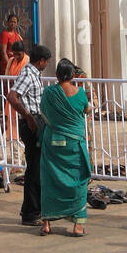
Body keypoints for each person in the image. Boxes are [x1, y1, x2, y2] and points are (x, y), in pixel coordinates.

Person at [39, 59, 92, 237]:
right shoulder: (81, 94)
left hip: (53, 142)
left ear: (56, 75)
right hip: (74, 143)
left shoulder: (49, 93)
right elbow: (85, 109)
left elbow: (44, 113)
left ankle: (46, 223)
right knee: (79, 181)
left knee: (49, 180)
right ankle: (77, 225)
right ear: (73, 75)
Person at [6, 43, 52, 227]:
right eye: (46, 62)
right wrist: (27, 116)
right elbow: (12, 96)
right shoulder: (27, 74)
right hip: (31, 122)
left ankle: (31, 210)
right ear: (40, 61)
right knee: (34, 168)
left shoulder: (35, 74)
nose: (46, 65)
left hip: (37, 120)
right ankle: (31, 213)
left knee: (37, 167)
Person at [3, 40, 28, 156]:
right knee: (12, 127)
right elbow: (6, 77)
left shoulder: (28, 62)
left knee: (24, 127)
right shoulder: (11, 61)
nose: (17, 57)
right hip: (13, 98)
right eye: (15, 54)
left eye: (19, 54)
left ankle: (24, 158)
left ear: (24, 52)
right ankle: (16, 158)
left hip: (24, 100)